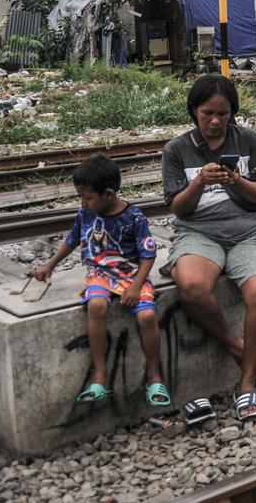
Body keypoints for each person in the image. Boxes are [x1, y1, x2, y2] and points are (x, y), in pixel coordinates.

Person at [161, 75, 256, 423]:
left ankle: (246, 384)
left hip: (248, 232)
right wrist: (198, 182)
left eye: (223, 114)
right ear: (194, 112)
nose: (215, 121)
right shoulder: (177, 150)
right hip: (198, 233)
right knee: (193, 286)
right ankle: (236, 345)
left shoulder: (249, 140)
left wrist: (236, 180)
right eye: (207, 113)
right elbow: (179, 209)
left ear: (233, 113)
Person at [32, 154, 168, 408]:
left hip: (131, 276)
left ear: (108, 194)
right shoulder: (85, 214)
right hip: (100, 275)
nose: (83, 203)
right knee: (96, 305)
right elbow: (72, 240)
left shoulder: (134, 217)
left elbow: (148, 256)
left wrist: (137, 286)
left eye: (87, 197)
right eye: (81, 197)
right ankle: (100, 376)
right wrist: (49, 266)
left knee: (147, 316)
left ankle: (155, 375)